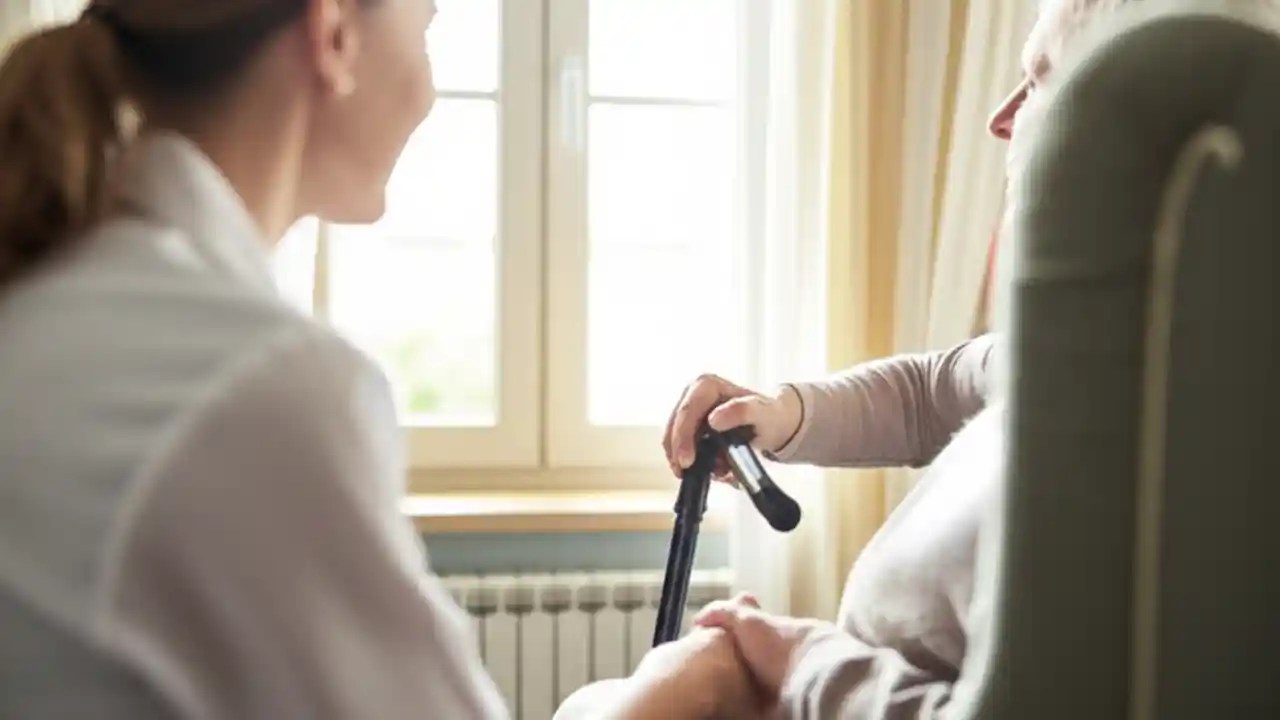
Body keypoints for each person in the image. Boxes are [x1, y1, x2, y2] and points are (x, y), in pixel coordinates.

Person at [0, 2, 760, 718]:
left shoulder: (67, 293)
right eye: (427, 25)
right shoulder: (246, 383)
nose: (429, 91)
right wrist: (681, 690)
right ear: (332, 33)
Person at [558, 0, 1135, 718]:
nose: (1001, 115)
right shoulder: (1076, 350)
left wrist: (803, 662)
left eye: (1036, 78)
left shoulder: (1147, 426)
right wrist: (780, 414)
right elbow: (927, 393)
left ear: (1120, 112)